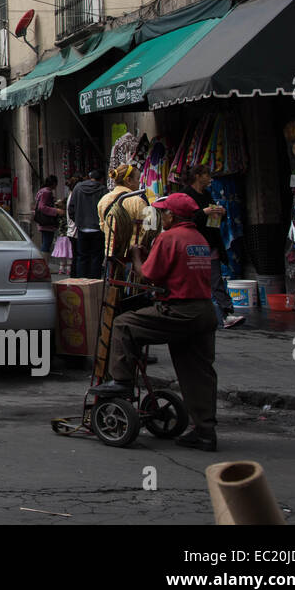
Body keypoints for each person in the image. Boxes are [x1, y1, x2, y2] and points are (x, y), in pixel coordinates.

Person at [93, 193, 219, 451]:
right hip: (205, 311)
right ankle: (205, 431)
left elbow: (149, 275)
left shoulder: (170, 237)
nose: (161, 217)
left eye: (163, 213)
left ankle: (122, 382)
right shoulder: (199, 239)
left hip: (181, 310)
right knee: (198, 373)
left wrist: (137, 256)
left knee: (123, 324)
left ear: (172, 215)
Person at [181, 164, 243, 329]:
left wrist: (219, 213)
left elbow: (212, 223)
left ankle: (227, 313)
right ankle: (193, 314)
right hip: (194, 246)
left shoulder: (207, 194)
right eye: (207, 175)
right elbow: (187, 220)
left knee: (216, 280)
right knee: (194, 281)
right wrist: (205, 212)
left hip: (210, 242)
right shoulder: (186, 195)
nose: (210, 179)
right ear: (198, 176)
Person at [99, 164, 150, 277]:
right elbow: (147, 229)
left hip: (111, 256)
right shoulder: (137, 201)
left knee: (112, 289)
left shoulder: (104, 200)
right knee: (132, 292)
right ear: (128, 180)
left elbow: (103, 227)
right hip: (132, 258)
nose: (139, 183)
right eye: (137, 179)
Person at [68, 170, 106, 279]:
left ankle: (81, 282)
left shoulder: (77, 188)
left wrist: (78, 221)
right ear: (101, 179)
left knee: (82, 257)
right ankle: (94, 283)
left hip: (82, 228)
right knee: (96, 257)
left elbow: (71, 208)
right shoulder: (103, 190)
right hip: (97, 229)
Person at [34, 175, 64, 255]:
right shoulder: (47, 192)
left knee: (45, 243)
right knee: (46, 244)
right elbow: (42, 207)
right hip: (47, 223)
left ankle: (44, 262)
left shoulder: (41, 191)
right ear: (54, 183)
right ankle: (44, 263)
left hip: (42, 222)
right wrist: (56, 210)